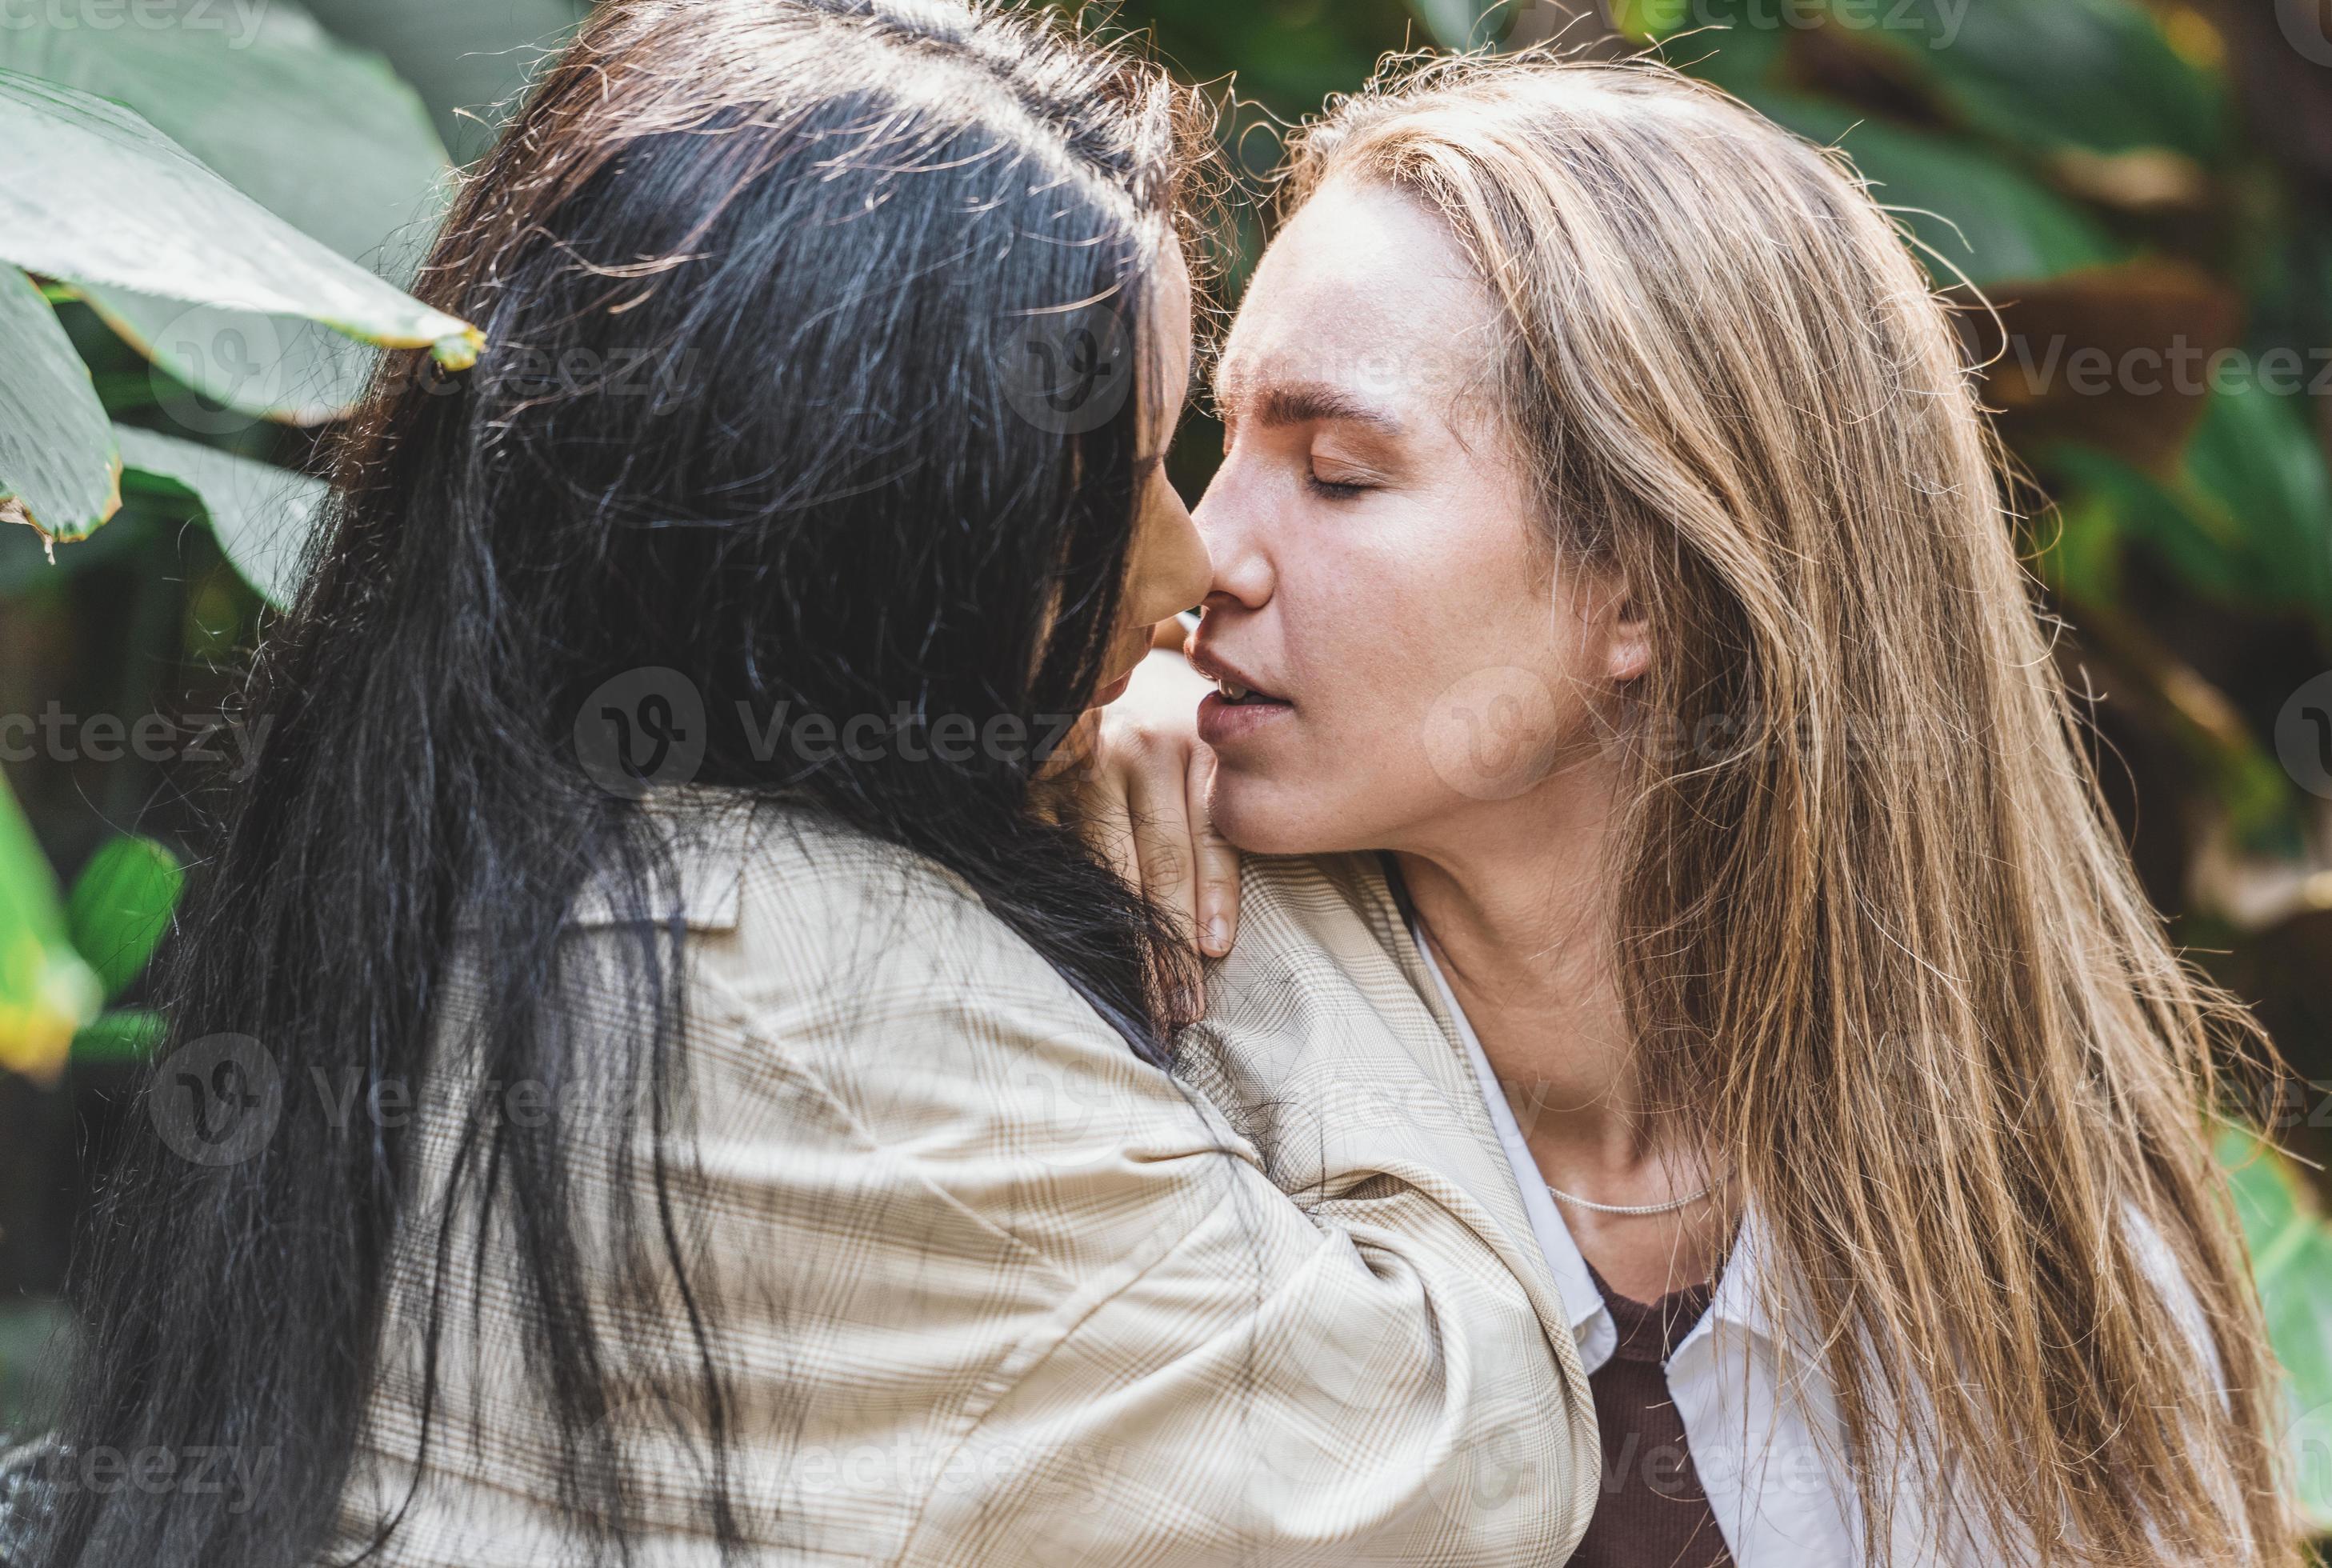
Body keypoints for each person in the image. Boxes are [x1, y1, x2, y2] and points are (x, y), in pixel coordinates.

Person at [21, 8, 1598, 1566]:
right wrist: (1263, 847)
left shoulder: (522, 846)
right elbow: (1466, 1462)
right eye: (1113, 486)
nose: (1195, 567)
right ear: (855, 526)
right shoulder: (762, 966)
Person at [1087, 50, 2301, 1568]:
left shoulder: (2058, 1271)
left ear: (1646, 580)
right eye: (1225, 446)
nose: (1210, 558)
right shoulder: (1129, 1040)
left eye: (1336, 474)